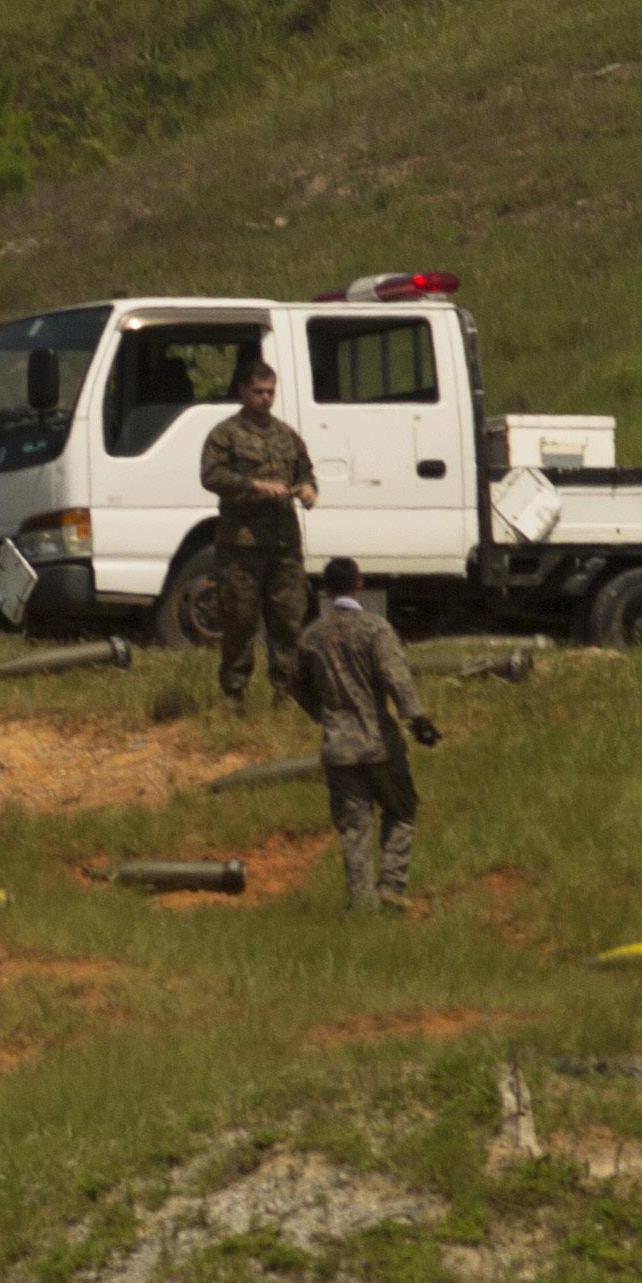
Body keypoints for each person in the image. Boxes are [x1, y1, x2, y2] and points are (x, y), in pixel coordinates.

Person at [295, 557, 440, 915]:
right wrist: (416, 719)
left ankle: (361, 902)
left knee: (354, 827)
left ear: (326, 589)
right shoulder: (376, 629)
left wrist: (322, 712)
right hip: (380, 744)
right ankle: (391, 885)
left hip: (338, 748)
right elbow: (396, 677)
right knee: (402, 810)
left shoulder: (311, 637)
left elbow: (295, 684)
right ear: (359, 584)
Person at [195, 355, 317, 711]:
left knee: (288, 618)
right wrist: (254, 486)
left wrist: (308, 489)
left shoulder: (286, 435)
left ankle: (287, 693)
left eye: (271, 392)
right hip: (242, 543)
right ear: (243, 391)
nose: (266, 398)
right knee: (240, 618)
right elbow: (211, 476)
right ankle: (234, 693)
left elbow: (305, 471)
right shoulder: (226, 435)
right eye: (259, 391)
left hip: (283, 543)